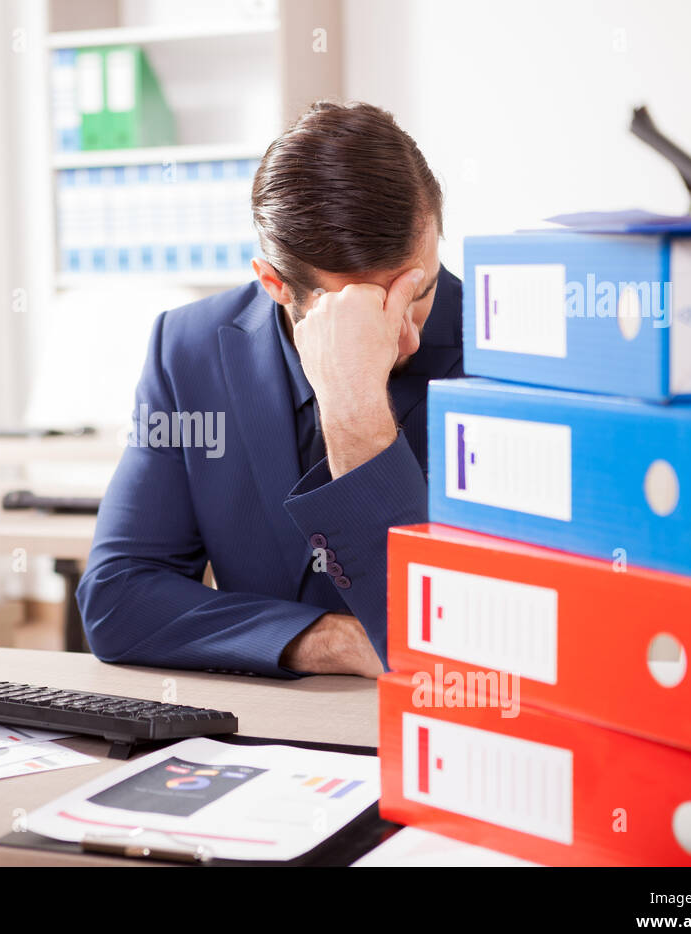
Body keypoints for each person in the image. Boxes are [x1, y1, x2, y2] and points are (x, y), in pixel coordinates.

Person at [76, 101, 464, 679]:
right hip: (263, 726)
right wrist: (331, 641)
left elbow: (450, 633)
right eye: (366, 309)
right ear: (275, 284)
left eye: (420, 289)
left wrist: (355, 407)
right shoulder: (188, 349)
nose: (404, 338)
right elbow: (118, 601)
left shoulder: (506, 350)